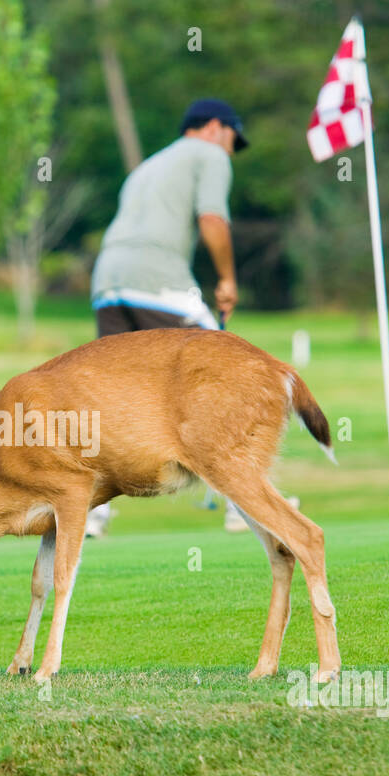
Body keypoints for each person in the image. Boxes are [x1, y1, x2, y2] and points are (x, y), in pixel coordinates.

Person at [87, 97, 249, 536]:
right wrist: (227, 279)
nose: (232, 149)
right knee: (228, 372)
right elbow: (212, 219)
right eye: (234, 138)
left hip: (107, 283)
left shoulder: (146, 167)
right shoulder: (210, 154)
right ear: (216, 127)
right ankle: (246, 505)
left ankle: (90, 511)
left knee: (119, 400)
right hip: (157, 280)